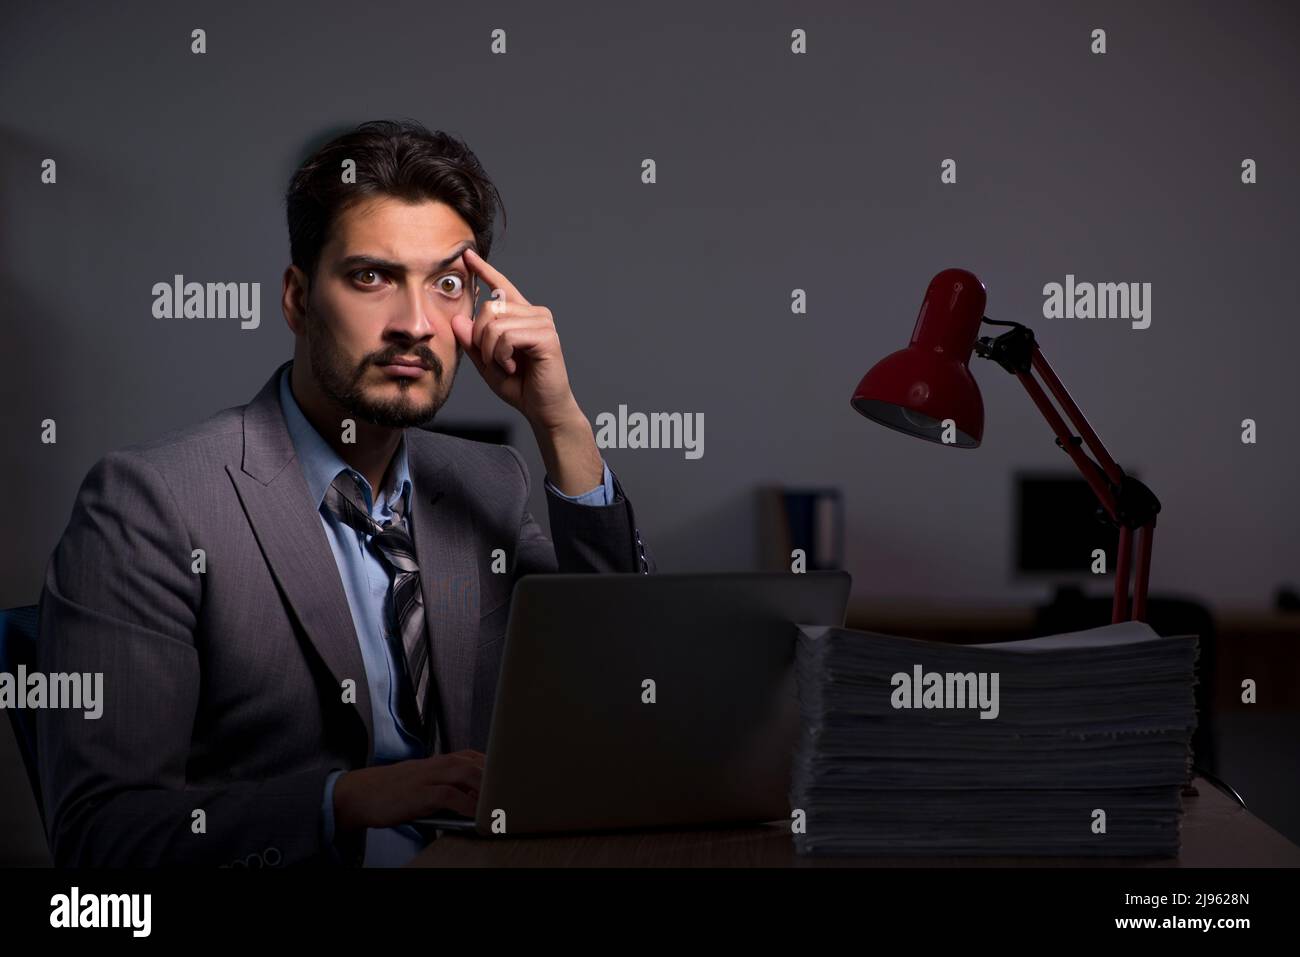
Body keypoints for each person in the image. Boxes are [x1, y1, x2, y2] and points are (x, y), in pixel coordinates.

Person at [35, 119, 654, 867]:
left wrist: (561, 423)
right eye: (371, 277)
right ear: (297, 298)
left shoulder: (486, 480)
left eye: (447, 284)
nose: (416, 325)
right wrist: (348, 800)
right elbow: (102, 837)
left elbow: (624, 692)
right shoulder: (152, 504)